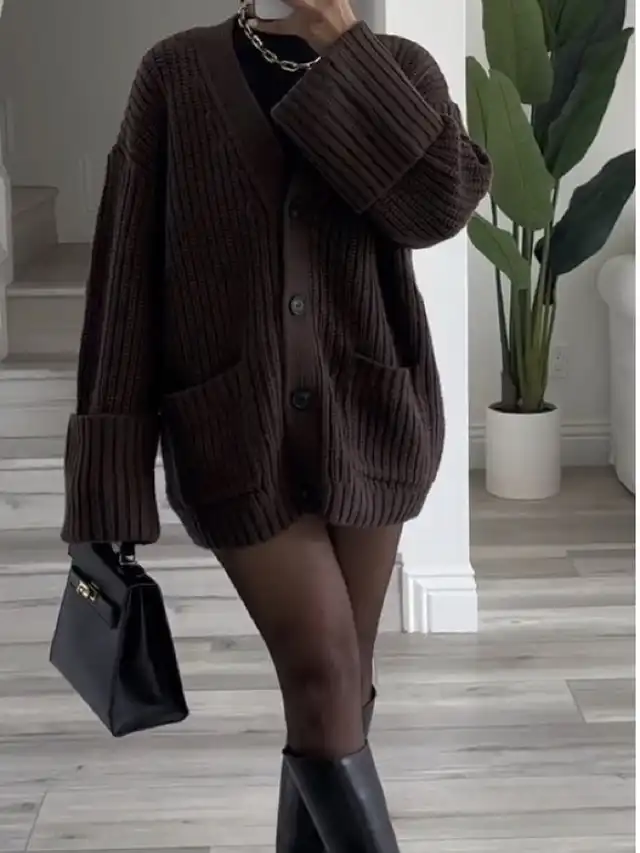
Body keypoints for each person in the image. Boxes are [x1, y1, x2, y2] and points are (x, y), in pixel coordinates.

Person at [61, 0, 492, 849]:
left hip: (370, 426)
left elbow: (438, 206)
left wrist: (343, 44)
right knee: (326, 671)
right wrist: (108, 482)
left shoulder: (400, 68)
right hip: (233, 435)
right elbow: (126, 277)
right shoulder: (175, 76)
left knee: (340, 689)